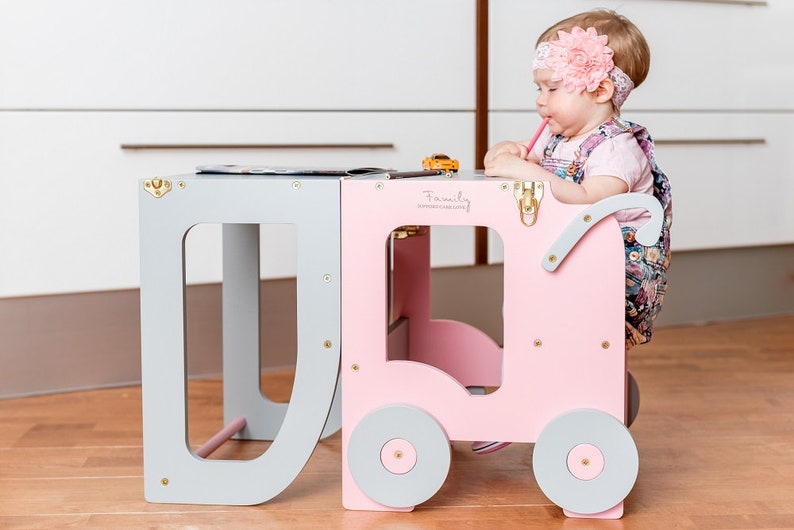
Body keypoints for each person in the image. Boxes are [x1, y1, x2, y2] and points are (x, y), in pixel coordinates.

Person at [474, 9, 672, 454]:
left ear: (600, 89)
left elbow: (585, 199)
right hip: (569, 265)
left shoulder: (617, 149)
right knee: (528, 321)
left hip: (612, 278)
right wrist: (511, 156)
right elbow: (539, 175)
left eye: (552, 88)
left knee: (543, 330)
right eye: (538, 88)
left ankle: (523, 404)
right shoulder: (560, 137)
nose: (541, 102)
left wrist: (525, 172)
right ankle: (529, 393)